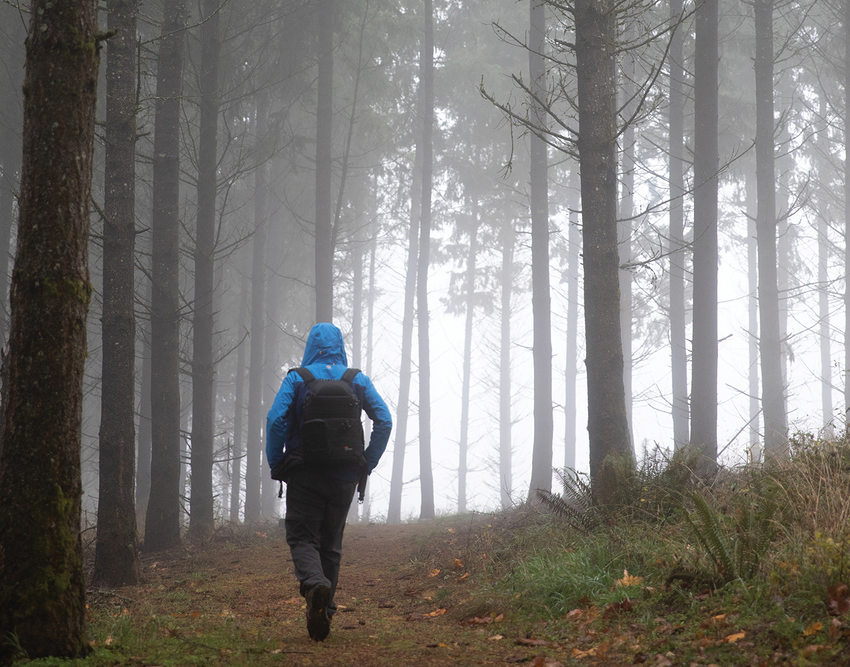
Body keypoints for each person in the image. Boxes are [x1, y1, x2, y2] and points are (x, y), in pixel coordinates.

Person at [266, 322, 392, 642]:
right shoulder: (355, 379)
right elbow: (384, 420)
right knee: (331, 543)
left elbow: (275, 419)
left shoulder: (298, 378)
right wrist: (367, 461)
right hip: (345, 475)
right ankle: (324, 609)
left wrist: (277, 461)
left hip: (304, 472)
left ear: (310, 345)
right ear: (339, 346)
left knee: (302, 537)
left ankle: (315, 585)